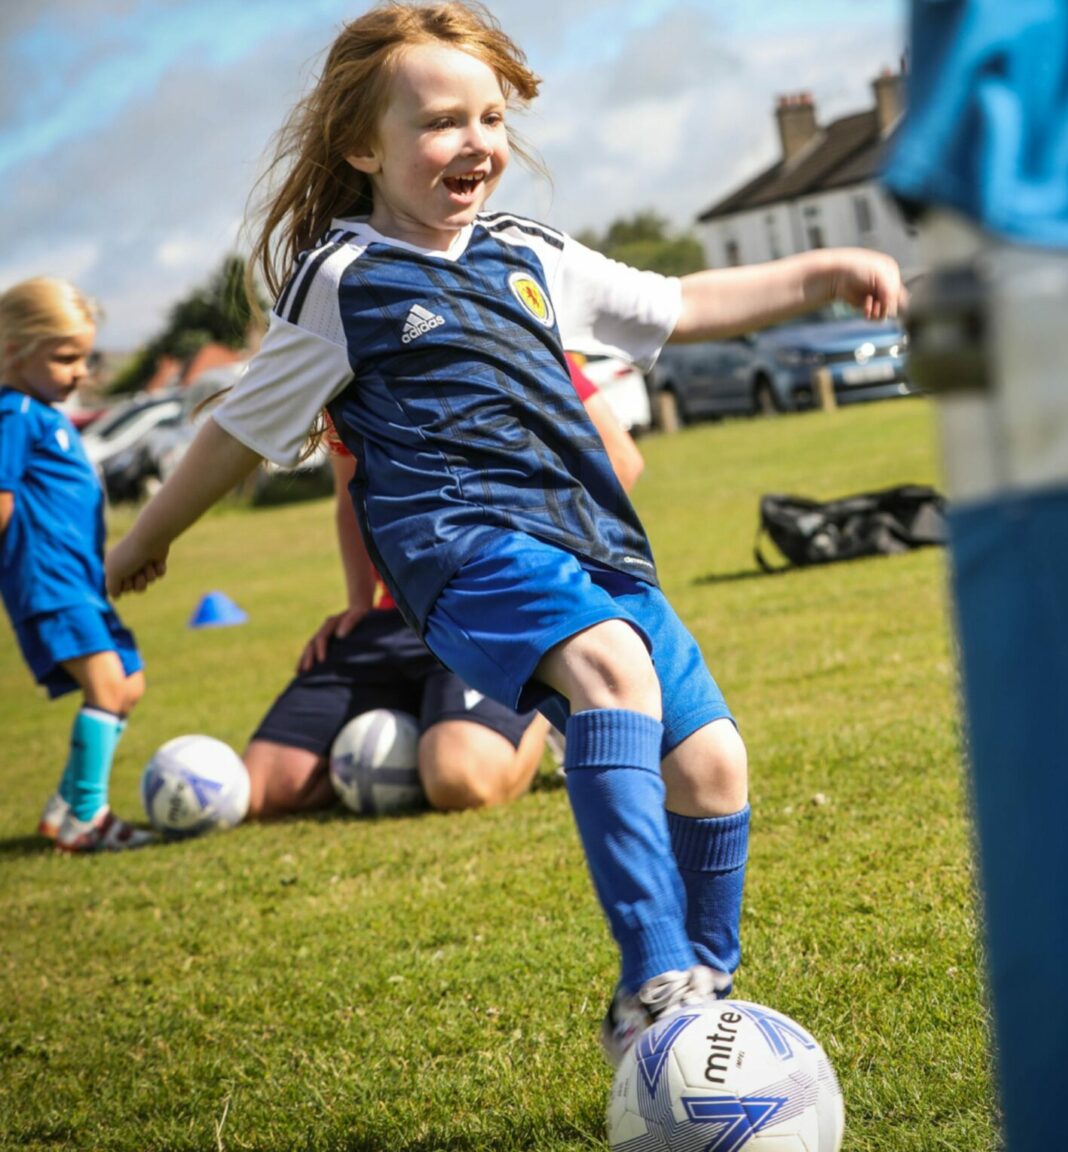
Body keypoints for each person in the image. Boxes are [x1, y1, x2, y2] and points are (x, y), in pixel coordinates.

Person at [104, 1, 904, 1064]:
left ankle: (703, 992)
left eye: (489, 116)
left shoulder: (531, 253)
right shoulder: (346, 281)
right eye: (440, 122)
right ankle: (653, 978)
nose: (476, 141)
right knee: (612, 669)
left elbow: (679, 303)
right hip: (463, 551)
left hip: (596, 547)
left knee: (714, 766)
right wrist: (142, 542)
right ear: (362, 147)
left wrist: (820, 269)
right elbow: (236, 431)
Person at [244, 357, 639, 817]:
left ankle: (543, 702)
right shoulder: (348, 348)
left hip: (493, 610)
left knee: (459, 781)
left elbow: (619, 461)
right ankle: (427, 715)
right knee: (262, 792)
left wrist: (551, 586)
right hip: (399, 616)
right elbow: (351, 495)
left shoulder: (502, 325)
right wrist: (358, 603)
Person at [0, 277, 153, 852]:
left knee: (128, 683)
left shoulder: (39, 411)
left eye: (85, 357)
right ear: (14, 349)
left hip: (81, 583)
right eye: (65, 358)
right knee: (107, 685)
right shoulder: (12, 413)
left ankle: (66, 805)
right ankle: (87, 817)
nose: (80, 371)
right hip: (50, 584)